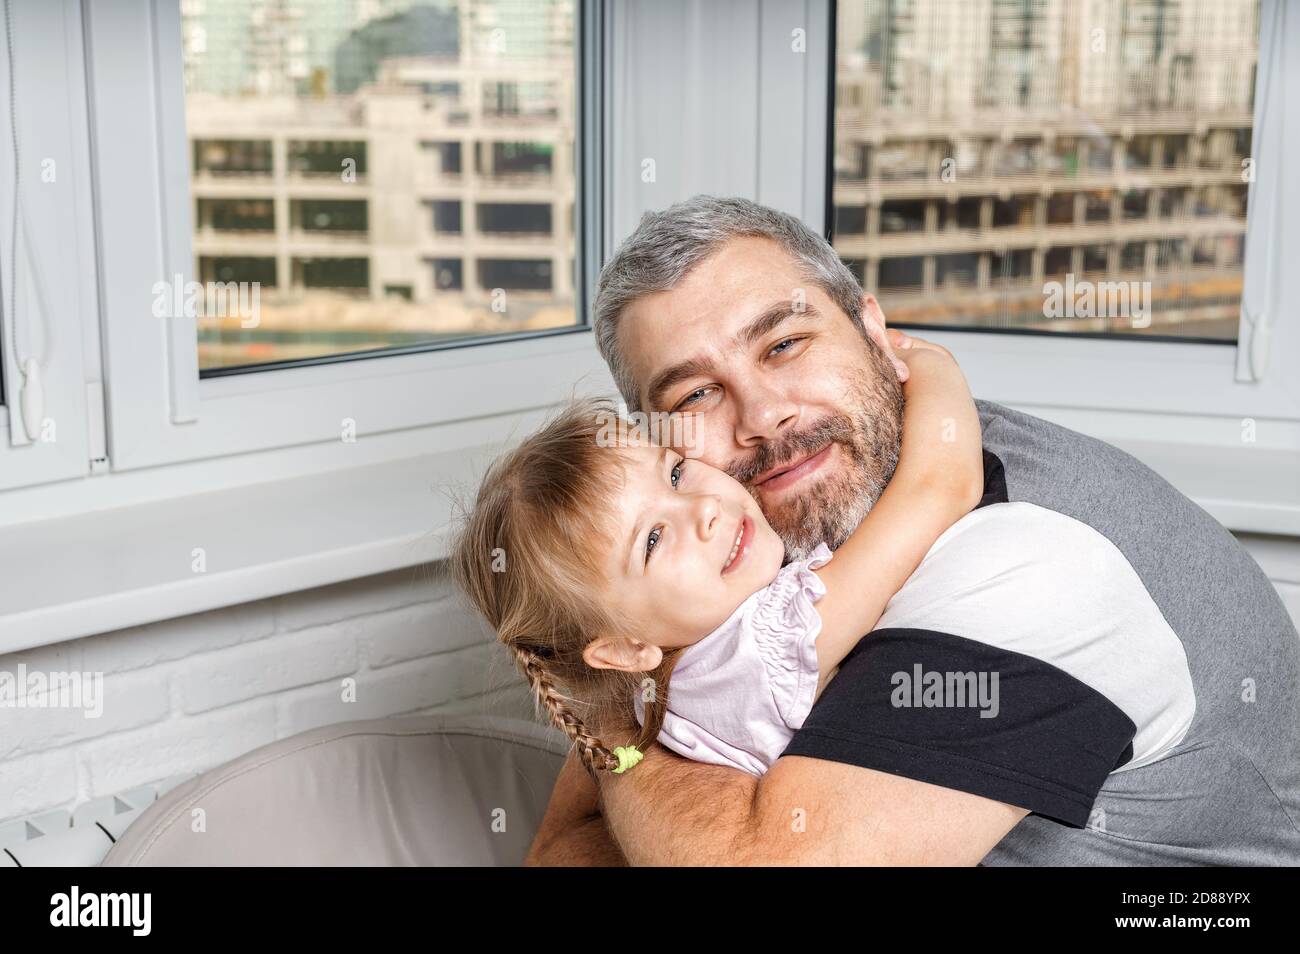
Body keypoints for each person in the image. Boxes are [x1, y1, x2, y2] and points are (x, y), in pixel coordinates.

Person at [523, 195, 1300, 866]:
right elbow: (559, 851)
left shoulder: (1024, 563)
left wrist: (619, 719)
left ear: (874, 331)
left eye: (786, 344)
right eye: (696, 393)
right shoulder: (740, 539)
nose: (763, 418)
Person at [452, 345, 983, 778]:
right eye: (654, 539)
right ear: (625, 649)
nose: (705, 510)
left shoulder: (663, 685)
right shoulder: (757, 657)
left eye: (677, 474)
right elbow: (940, 488)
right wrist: (930, 364)